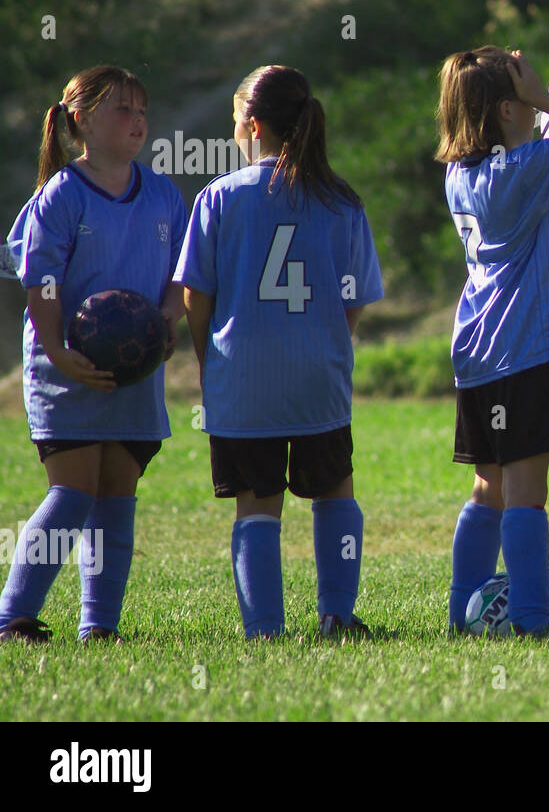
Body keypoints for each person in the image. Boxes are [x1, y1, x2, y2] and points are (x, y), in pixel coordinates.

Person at [178, 65, 383, 639]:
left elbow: (196, 294)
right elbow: (355, 299)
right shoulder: (341, 200)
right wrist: (324, 341)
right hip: (318, 371)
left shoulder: (221, 196)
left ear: (252, 123)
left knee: (256, 504)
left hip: (244, 374)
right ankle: (338, 615)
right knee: (334, 489)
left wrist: (208, 356)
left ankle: (265, 628)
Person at [0, 66, 185, 644]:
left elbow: (184, 275)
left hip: (134, 373)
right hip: (68, 371)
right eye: (122, 109)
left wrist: (167, 320)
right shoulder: (61, 194)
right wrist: (57, 350)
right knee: (72, 494)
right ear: (81, 120)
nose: (138, 121)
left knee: (116, 497)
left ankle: (99, 625)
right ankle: (11, 618)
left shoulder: (160, 192)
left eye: (141, 110)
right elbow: (43, 285)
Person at [439, 46, 549, 636]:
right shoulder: (520, 172)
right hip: (523, 350)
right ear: (507, 109)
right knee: (526, 495)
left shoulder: (458, 174)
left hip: (476, 351)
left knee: (486, 486)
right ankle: (532, 618)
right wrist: (548, 99)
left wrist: (531, 113)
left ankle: (462, 613)